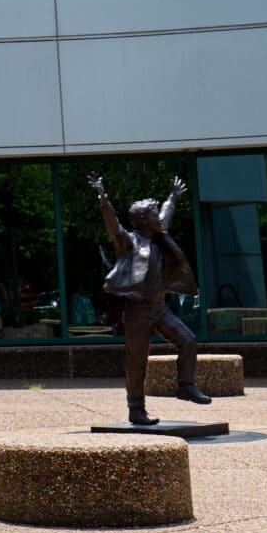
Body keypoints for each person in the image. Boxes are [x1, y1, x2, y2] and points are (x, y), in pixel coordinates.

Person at [93, 173, 211, 425]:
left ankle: (185, 386)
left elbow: (167, 212)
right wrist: (104, 199)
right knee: (137, 360)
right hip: (137, 311)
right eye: (155, 214)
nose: (161, 217)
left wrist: (173, 196)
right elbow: (113, 226)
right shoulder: (130, 242)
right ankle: (136, 409)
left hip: (159, 307)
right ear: (144, 220)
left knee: (188, 340)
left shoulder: (159, 234)